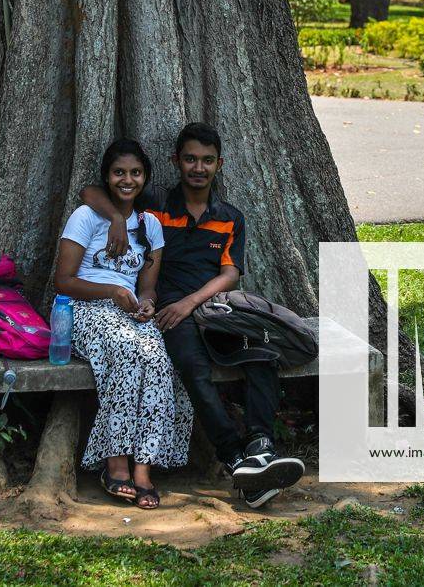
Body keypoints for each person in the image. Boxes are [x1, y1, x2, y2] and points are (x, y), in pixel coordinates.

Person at [81, 122, 305, 509]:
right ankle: (235, 458)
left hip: (217, 310)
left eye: (207, 160)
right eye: (190, 160)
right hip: (170, 312)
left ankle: (260, 448)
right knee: (193, 369)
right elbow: (90, 192)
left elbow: (230, 272)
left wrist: (193, 302)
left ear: (220, 164)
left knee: (262, 355)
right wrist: (118, 219)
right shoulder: (154, 208)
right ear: (176, 162)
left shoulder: (229, 217)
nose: (198, 168)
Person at [54, 138, 193, 510]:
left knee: (157, 358)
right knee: (127, 353)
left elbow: (147, 289)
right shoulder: (87, 216)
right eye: (119, 172)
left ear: (145, 178)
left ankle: (144, 470)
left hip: (127, 312)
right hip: (85, 309)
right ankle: (115, 465)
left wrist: (147, 305)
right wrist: (111, 291)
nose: (126, 180)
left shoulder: (149, 225)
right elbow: (63, 281)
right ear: (107, 176)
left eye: (135, 173)